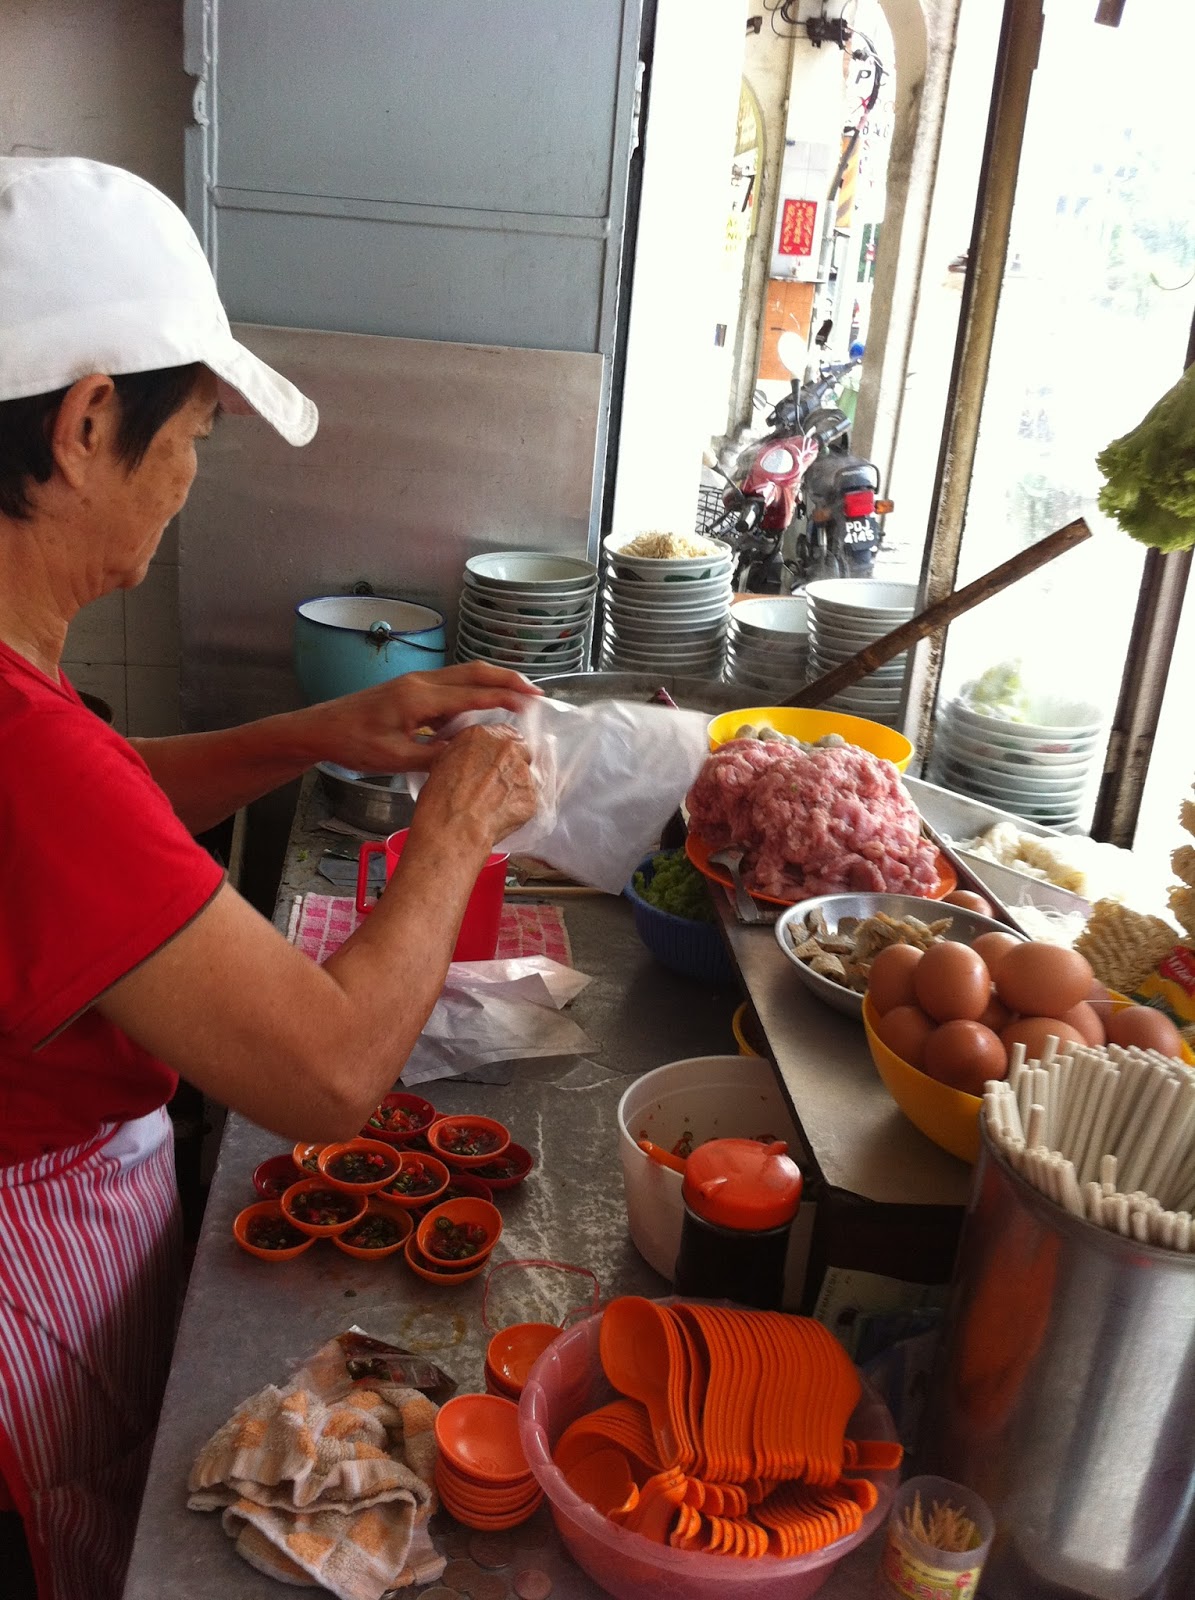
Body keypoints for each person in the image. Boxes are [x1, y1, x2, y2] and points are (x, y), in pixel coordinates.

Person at [0, 155, 540, 1600]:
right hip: (28, 1261)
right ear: (87, 424)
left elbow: (95, 822)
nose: (187, 480)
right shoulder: (23, 753)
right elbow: (329, 1074)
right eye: (193, 436)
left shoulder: (30, 721)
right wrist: (455, 830)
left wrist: (316, 733)